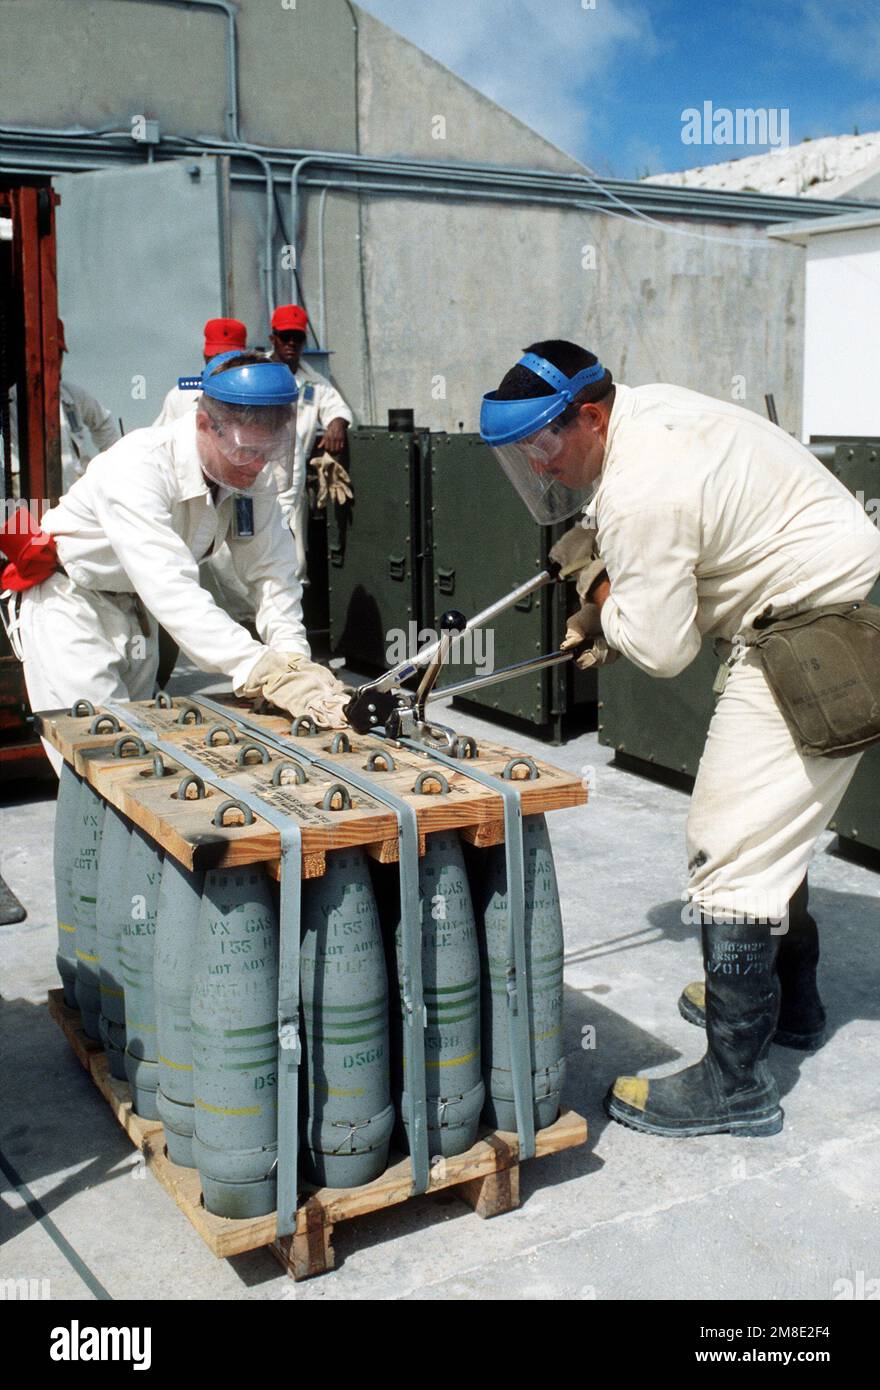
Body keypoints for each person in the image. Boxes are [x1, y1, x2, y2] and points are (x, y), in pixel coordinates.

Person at [480, 340, 880, 1139]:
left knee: (729, 845)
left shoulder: (639, 493)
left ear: (589, 415)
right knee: (771, 827)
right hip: (819, 597)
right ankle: (787, 1004)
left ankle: (735, 1083)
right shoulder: (648, 410)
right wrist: (612, 601)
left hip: (818, 628)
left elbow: (664, 651)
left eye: (546, 445)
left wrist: (602, 597)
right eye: (524, 454)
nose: (542, 466)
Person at [7, 352, 349, 775]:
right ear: (205, 424)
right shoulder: (137, 467)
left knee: (138, 761)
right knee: (99, 765)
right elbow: (172, 589)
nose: (259, 466)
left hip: (134, 614)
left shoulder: (250, 471)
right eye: (248, 452)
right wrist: (256, 667)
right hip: (73, 607)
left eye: (270, 451)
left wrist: (295, 663)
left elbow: (273, 575)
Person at [269, 304, 353, 580]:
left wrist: (336, 423)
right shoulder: (255, 372)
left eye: (297, 337)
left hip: (292, 480)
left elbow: (337, 408)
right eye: (285, 336)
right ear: (273, 339)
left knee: (293, 558)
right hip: (253, 477)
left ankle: (287, 617)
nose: (291, 343)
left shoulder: (314, 383)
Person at [153, 317, 248, 427]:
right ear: (205, 355)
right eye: (216, 357)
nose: (221, 364)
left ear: (245, 357)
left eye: (229, 359)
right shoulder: (180, 396)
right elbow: (161, 437)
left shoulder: (257, 396)